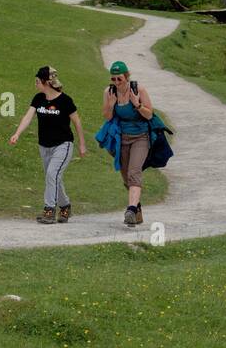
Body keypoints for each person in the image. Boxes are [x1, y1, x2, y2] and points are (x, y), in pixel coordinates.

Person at [9, 66, 86, 223]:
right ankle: (65, 206)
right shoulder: (38, 99)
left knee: (52, 175)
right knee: (54, 177)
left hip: (63, 145)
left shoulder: (65, 101)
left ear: (45, 82)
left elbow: (77, 122)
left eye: (37, 81)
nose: (35, 84)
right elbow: (28, 117)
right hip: (44, 146)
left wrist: (82, 144)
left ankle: (49, 210)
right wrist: (17, 133)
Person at [102, 60, 155, 226]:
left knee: (134, 172)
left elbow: (149, 115)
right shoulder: (109, 92)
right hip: (122, 139)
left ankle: (130, 210)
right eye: (113, 79)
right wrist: (110, 105)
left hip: (140, 137)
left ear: (126, 76)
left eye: (119, 79)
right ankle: (137, 208)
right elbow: (108, 117)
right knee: (126, 177)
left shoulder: (138, 90)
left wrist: (137, 104)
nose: (116, 82)